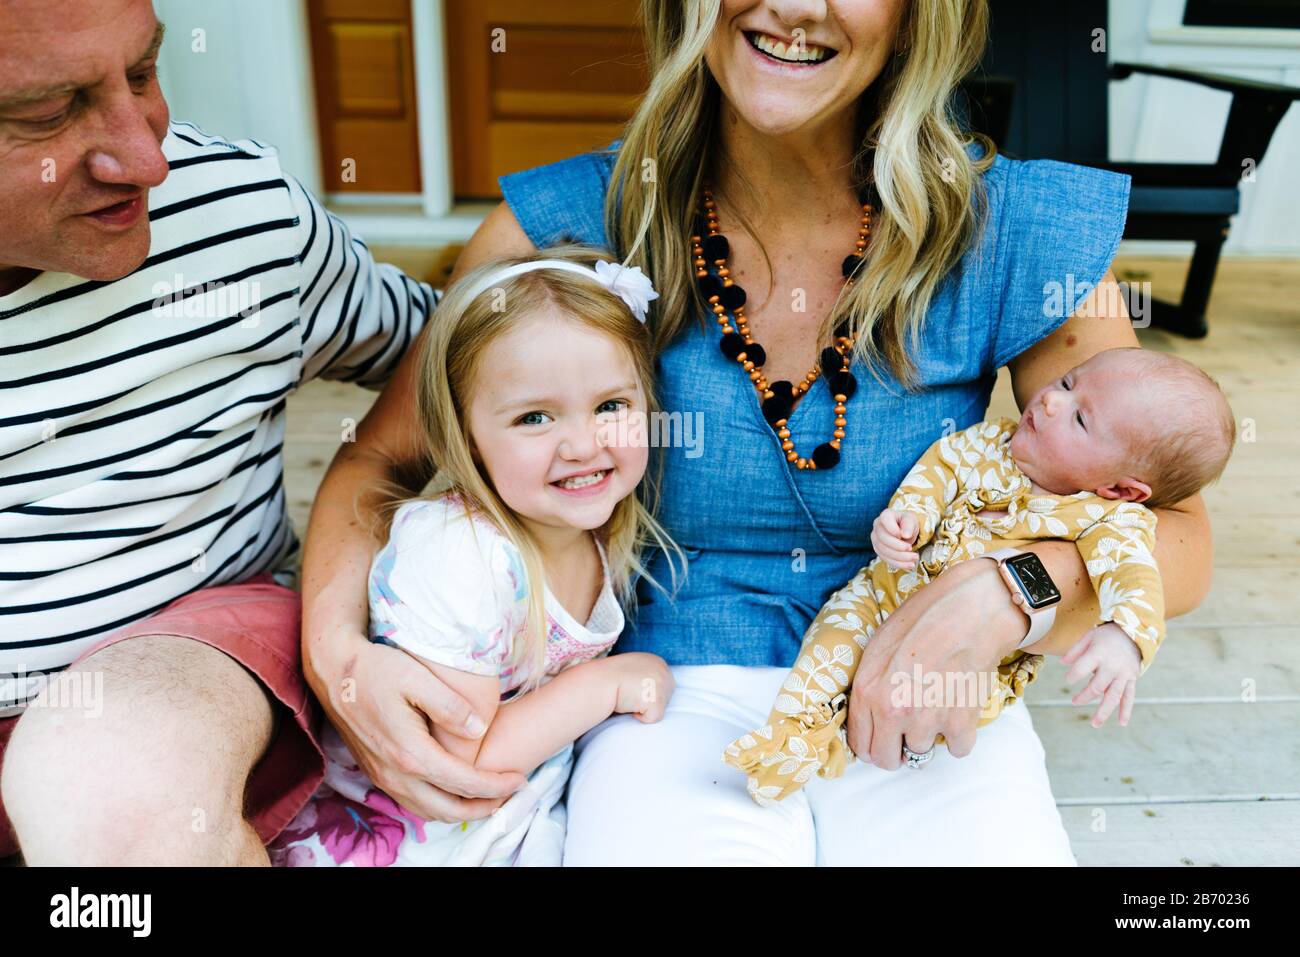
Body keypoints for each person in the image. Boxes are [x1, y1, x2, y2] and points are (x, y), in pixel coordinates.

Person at [301, 0, 1215, 865]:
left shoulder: (1012, 226)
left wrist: (1011, 591)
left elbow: (1178, 535)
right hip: (662, 683)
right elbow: (381, 460)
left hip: (924, 676)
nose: (794, 6)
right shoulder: (570, 221)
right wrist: (341, 659)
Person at [0, 0, 492, 865]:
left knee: (111, 794)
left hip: (184, 655)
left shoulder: (238, 219)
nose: (147, 158)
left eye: (145, 74)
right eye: (49, 113)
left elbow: (453, 363)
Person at [269, 248, 680, 866]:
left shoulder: (597, 520)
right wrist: (610, 682)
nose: (582, 443)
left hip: (518, 795)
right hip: (421, 829)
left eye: (610, 406)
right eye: (534, 417)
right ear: (464, 438)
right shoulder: (462, 556)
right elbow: (463, 754)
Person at [726, 347, 1236, 803]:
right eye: (1066, 382)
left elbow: (1134, 578)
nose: (1051, 402)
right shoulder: (988, 443)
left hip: (980, 659)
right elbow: (938, 472)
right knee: (829, 649)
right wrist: (907, 519)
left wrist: (1124, 636)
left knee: (951, 700)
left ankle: (848, 748)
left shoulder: (1108, 520)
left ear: (1123, 490)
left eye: (1080, 419)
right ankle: (788, 737)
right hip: (881, 594)